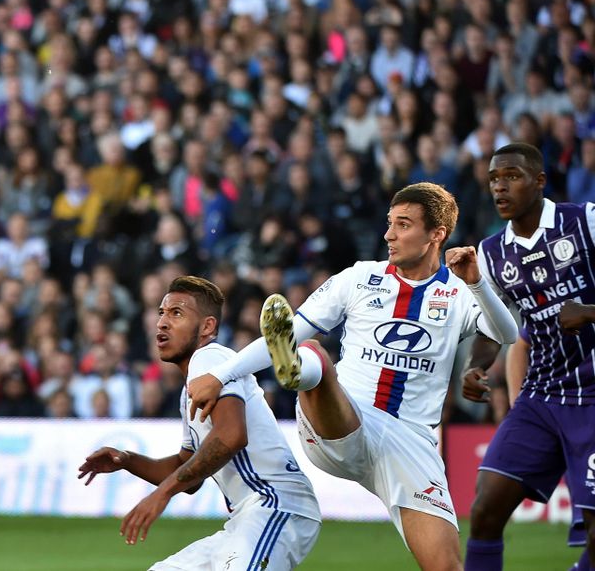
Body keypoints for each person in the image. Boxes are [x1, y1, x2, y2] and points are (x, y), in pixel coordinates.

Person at [187, 182, 519, 571]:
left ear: (437, 234)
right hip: (344, 419)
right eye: (389, 223)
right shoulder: (359, 278)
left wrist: (477, 282)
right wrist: (223, 375)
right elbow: (288, 331)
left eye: (403, 224)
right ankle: (299, 372)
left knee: (446, 566)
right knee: (310, 352)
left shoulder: (460, 291)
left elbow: (506, 332)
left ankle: (303, 371)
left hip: (409, 442)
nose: (389, 234)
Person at [78, 275, 321, 570]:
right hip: (244, 520)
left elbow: (231, 436)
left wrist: (162, 493)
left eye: (176, 313)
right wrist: (127, 460)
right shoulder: (190, 390)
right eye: (162, 313)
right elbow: (188, 466)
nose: (162, 323)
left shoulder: (209, 357)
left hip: (275, 504)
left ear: (207, 327)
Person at [465, 142, 595, 571]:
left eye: (512, 176)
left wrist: (590, 311)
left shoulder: (585, 222)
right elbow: (493, 326)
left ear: (540, 181)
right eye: (493, 179)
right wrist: (477, 365)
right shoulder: (491, 253)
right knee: (484, 510)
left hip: (594, 396)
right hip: (542, 397)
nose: (500, 187)